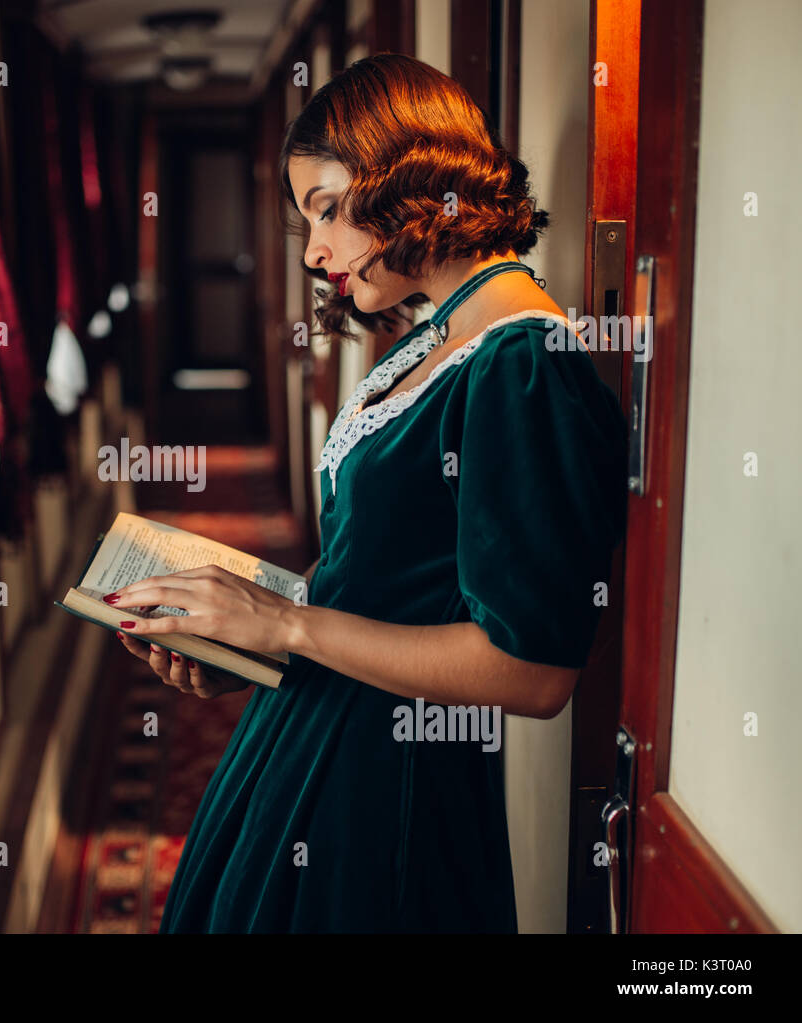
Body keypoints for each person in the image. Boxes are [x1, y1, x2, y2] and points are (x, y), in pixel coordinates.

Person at [108, 54, 629, 932]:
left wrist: (288, 625)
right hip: (312, 731)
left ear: (409, 177)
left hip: (392, 787)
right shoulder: (435, 338)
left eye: (325, 209)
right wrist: (246, 638)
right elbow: (384, 584)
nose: (313, 252)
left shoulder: (524, 362)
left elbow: (534, 670)